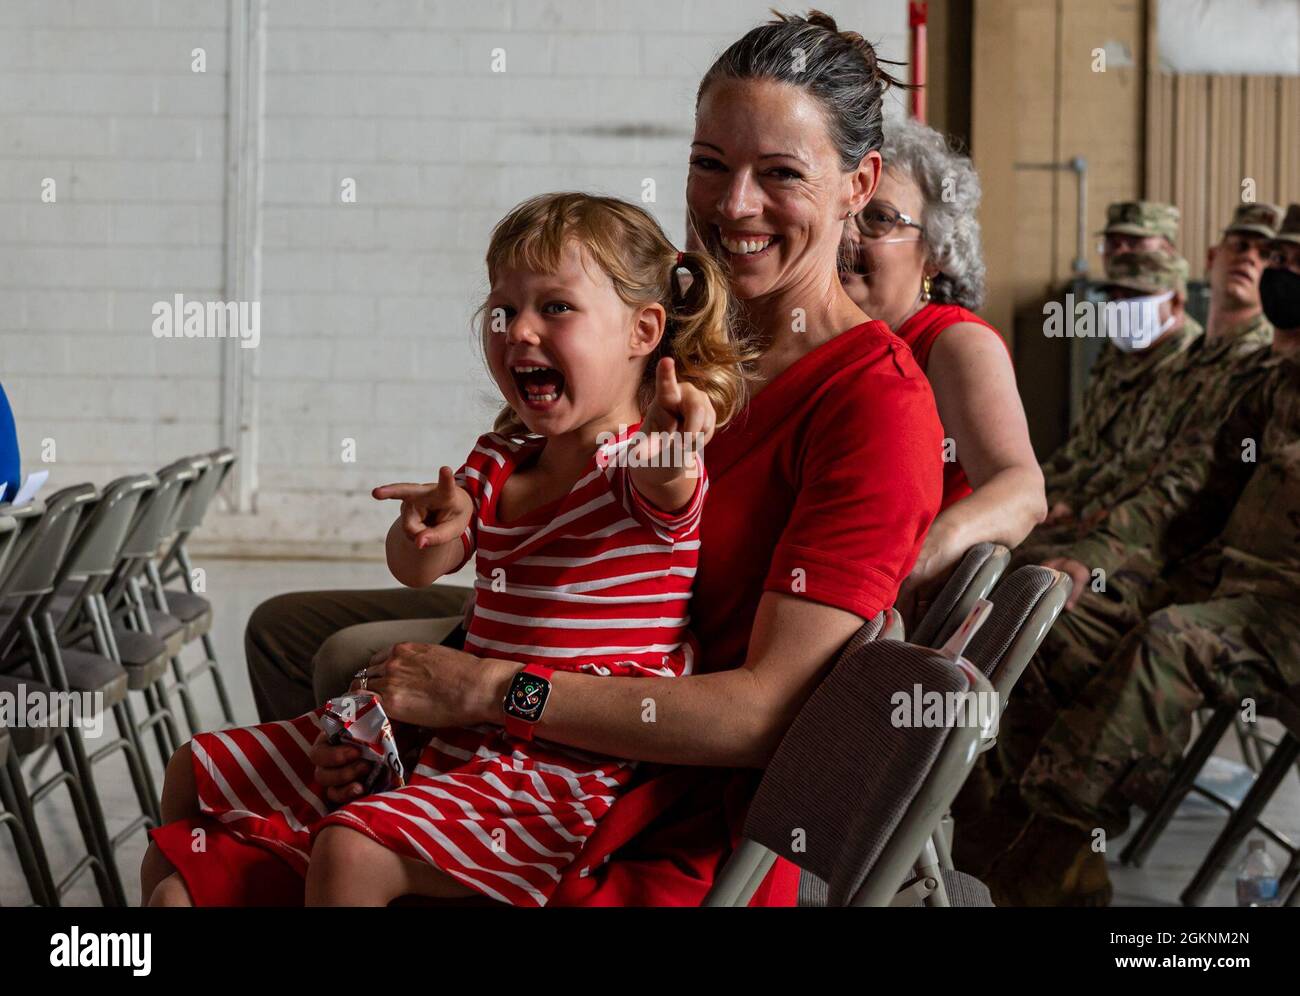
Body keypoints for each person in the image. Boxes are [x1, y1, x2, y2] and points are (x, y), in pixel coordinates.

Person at [148, 10, 945, 907]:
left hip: (645, 801)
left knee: (327, 764)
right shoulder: (673, 306)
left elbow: (761, 716)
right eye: (710, 165)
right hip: (536, 719)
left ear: (859, 185)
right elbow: (531, 461)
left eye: (782, 174)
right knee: (194, 849)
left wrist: (493, 691)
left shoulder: (875, 406)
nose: (733, 206)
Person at [143, 192, 749, 907]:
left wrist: (677, 444)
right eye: (504, 310)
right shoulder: (500, 459)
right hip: (460, 741)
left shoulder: (636, 470)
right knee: (194, 767)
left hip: (556, 772)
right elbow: (418, 567)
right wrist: (421, 529)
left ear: (643, 330)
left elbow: (672, 482)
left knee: (351, 851)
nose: (520, 330)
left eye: (555, 307)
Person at [985, 203, 1300, 906]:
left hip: (1279, 614)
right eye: (1280, 259)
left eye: (1293, 263)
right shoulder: (1271, 384)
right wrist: (1092, 559)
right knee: (1046, 620)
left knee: (1164, 643)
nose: (1281, 274)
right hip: (1218, 585)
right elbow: (1184, 490)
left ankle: (1048, 854)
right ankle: (1006, 836)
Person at [840, 115, 1044, 622]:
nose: (849, 237)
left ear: (933, 254)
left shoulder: (954, 342)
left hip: (877, 615)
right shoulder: (826, 342)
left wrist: (928, 553)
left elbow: (1021, 489)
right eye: (845, 213)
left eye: (879, 219)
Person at [1037, 201, 1188, 526]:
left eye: (1135, 243)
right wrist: (1036, 491)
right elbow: (1084, 446)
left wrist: (1076, 509)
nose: (1121, 252)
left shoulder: (1190, 362)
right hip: (1074, 500)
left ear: (1168, 249)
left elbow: (1148, 470)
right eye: (1113, 243)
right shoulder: (1118, 347)